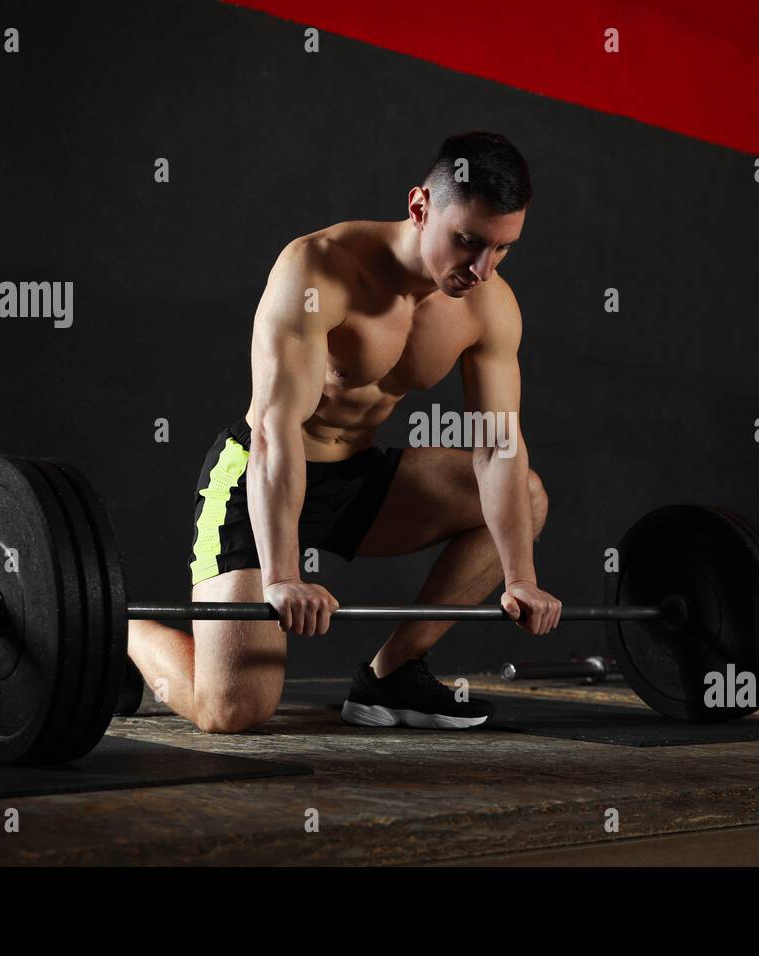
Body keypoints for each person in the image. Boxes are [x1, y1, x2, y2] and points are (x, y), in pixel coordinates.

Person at [124, 131, 561, 731]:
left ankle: (390, 676)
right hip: (258, 476)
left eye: (503, 250)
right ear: (419, 208)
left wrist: (521, 578)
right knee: (230, 711)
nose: (482, 269)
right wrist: (281, 576)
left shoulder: (489, 307)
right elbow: (275, 430)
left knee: (527, 496)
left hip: (354, 477)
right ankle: (120, 631)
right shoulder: (319, 268)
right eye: (468, 242)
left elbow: (496, 447)